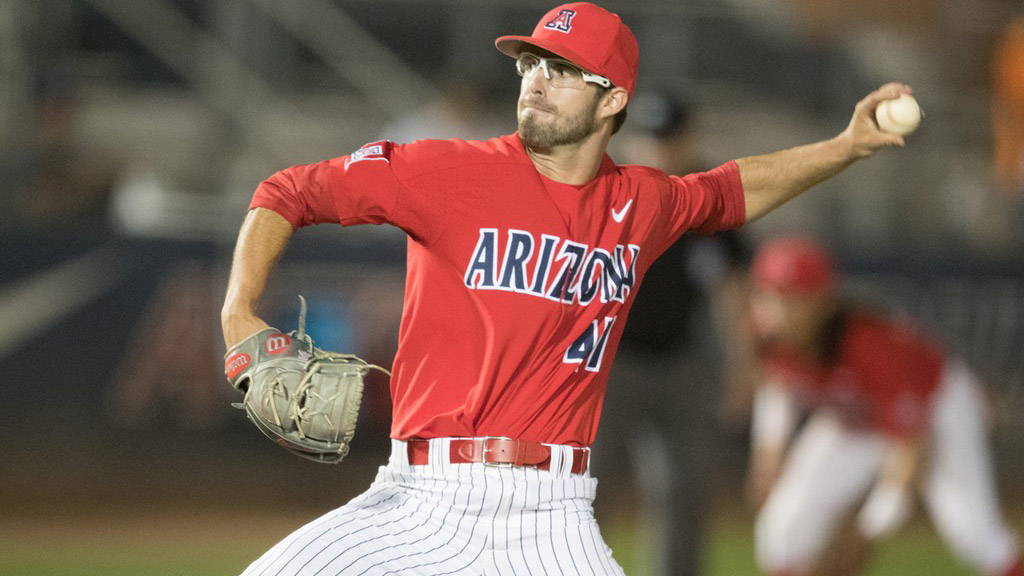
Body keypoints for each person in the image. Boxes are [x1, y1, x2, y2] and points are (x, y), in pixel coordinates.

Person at [221, 3, 916, 574]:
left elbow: (735, 189)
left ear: (612, 98)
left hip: (552, 518)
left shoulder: (643, 204)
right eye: (531, 64)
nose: (535, 81)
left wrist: (846, 145)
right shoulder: (446, 172)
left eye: (561, 70)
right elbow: (287, 192)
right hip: (419, 497)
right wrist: (238, 313)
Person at [745, 237, 1024, 576]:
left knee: (975, 533)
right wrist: (769, 450)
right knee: (781, 531)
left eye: (792, 298)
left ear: (823, 300)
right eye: (768, 295)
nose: (775, 308)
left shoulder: (869, 344)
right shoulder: (764, 332)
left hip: (939, 408)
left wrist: (867, 530)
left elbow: (913, 449)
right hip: (856, 420)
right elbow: (778, 385)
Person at [593, 90, 749, 576]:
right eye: (651, 137)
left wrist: (744, 365)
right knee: (583, 489)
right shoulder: (606, 189)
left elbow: (733, 289)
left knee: (684, 489)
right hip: (609, 364)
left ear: (689, 139)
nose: (659, 148)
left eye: (669, 137)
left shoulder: (709, 200)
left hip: (682, 361)